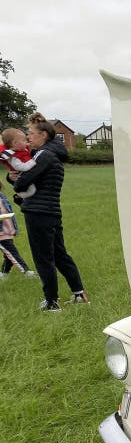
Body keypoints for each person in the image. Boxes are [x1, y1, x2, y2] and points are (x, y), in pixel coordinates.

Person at [9, 112, 88, 311]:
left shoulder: (44, 155)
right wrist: (15, 179)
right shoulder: (53, 156)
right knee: (60, 254)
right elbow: (30, 180)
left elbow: (24, 182)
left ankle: (52, 302)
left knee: (43, 258)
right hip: (51, 212)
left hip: (38, 212)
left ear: (43, 135)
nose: (29, 137)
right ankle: (79, 294)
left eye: (31, 133)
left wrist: (15, 180)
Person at [0, 182, 36, 279]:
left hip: (7, 230)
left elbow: (9, 213)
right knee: (12, 252)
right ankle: (26, 271)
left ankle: (3, 273)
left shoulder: (2, 197)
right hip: (1, 234)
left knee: (9, 254)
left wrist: (14, 229)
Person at [1, 128, 37, 197]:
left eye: (31, 133)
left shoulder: (20, 149)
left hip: (23, 176)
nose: (27, 141)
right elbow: (20, 166)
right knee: (31, 190)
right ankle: (21, 195)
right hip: (20, 176)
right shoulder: (13, 155)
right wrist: (32, 162)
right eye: (23, 140)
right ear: (15, 143)